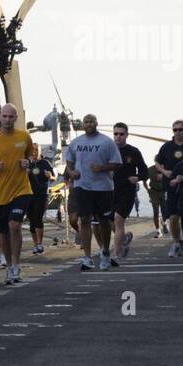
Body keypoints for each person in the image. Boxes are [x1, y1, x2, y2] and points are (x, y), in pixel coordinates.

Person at [0, 103, 33, 284]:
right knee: (1, 232)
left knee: (14, 225)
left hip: (21, 189)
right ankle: (9, 265)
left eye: (11, 117)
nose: (8, 120)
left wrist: (28, 162)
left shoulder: (24, 137)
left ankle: (16, 266)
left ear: (16, 118)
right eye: (5, 116)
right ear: (0, 117)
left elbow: (31, 156)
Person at [65, 114, 122, 271]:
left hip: (103, 188)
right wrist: (71, 172)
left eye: (91, 121)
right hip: (82, 187)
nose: (89, 124)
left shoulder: (107, 142)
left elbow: (117, 163)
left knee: (104, 221)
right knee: (84, 220)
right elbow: (69, 163)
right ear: (83, 124)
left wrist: (102, 168)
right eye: (86, 122)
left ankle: (104, 252)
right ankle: (87, 257)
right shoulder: (76, 143)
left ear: (96, 123)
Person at [110, 123, 149, 259]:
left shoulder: (133, 151)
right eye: (116, 134)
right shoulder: (108, 150)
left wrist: (137, 177)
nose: (118, 137)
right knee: (111, 223)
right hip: (109, 191)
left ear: (127, 135)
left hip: (127, 191)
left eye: (121, 134)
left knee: (118, 219)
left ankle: (116, 253)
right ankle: (124, 238)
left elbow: (145, 171)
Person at [154, 121, 183, 257]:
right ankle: (176, 242)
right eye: (175, 130)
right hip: (171, 187)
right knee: (173, 217)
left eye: (180, 129)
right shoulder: (166, 147)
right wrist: (164, 172)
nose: (178, 132)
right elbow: (157, 163)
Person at [25, 142, 55, 254]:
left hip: (41, 195)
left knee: (38, 217)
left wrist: (49, 176)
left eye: (36, 150)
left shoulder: (45, 163)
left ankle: (40, 243)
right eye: (32, 150)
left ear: (40, 151)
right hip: (28, 195)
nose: (34, 152)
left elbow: (53, 177)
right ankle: (35, 243)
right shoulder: (27, 163)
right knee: (31, 220)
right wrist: (25, 173)